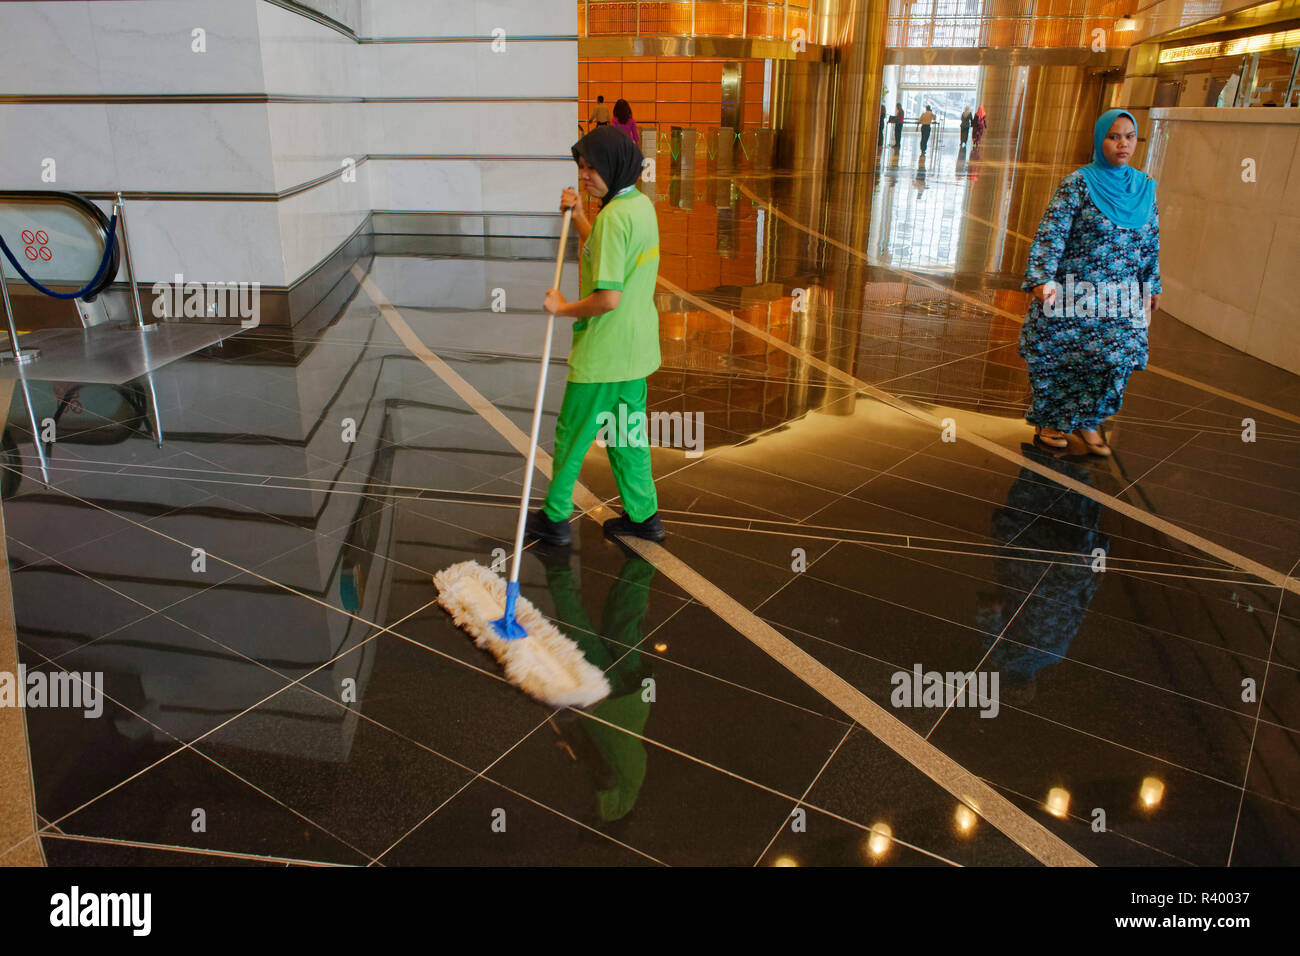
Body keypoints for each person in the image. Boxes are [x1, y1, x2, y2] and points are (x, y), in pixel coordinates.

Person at [527, 126, 666, 545]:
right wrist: (581, 217)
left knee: (573, 434)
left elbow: (607, 298)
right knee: (627, 436)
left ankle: (553, 518)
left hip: (603, 353)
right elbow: (607, 253)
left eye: (592, 168)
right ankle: (644, 517)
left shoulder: (613, 219)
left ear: (613, 166)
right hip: (635, 351)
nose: (585, 175)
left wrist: (562, 308)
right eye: (581, 167)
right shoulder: (639, 207)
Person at [1019, 109, 1161, 455]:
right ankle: (1053, 421)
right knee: (1065, 358)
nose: (1123, 143)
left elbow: (1151, 241)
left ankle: (1090, 420)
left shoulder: (1144, 188)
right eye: (1114, 136)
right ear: (1100, 140)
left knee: (1115, 361)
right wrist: (1041, 279)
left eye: (1129, 136)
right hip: (1075, 293)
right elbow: (1051, 233)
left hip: (1121, 298)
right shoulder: (1078, 184)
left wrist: (1152, 284)